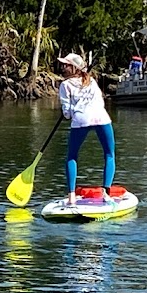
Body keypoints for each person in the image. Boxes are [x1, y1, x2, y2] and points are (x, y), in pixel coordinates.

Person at [58, 52, 115, 205]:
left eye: (66, 65)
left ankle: (71, 196)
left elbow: (67, 114)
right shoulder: (92, 81)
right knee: (109, 154)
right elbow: (99, 101)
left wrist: (66, 112)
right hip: (101, 117)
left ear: (74, 68)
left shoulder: (65, 85)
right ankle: (106, 193)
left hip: (81, 119)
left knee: (71, 156)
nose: (63, 68)